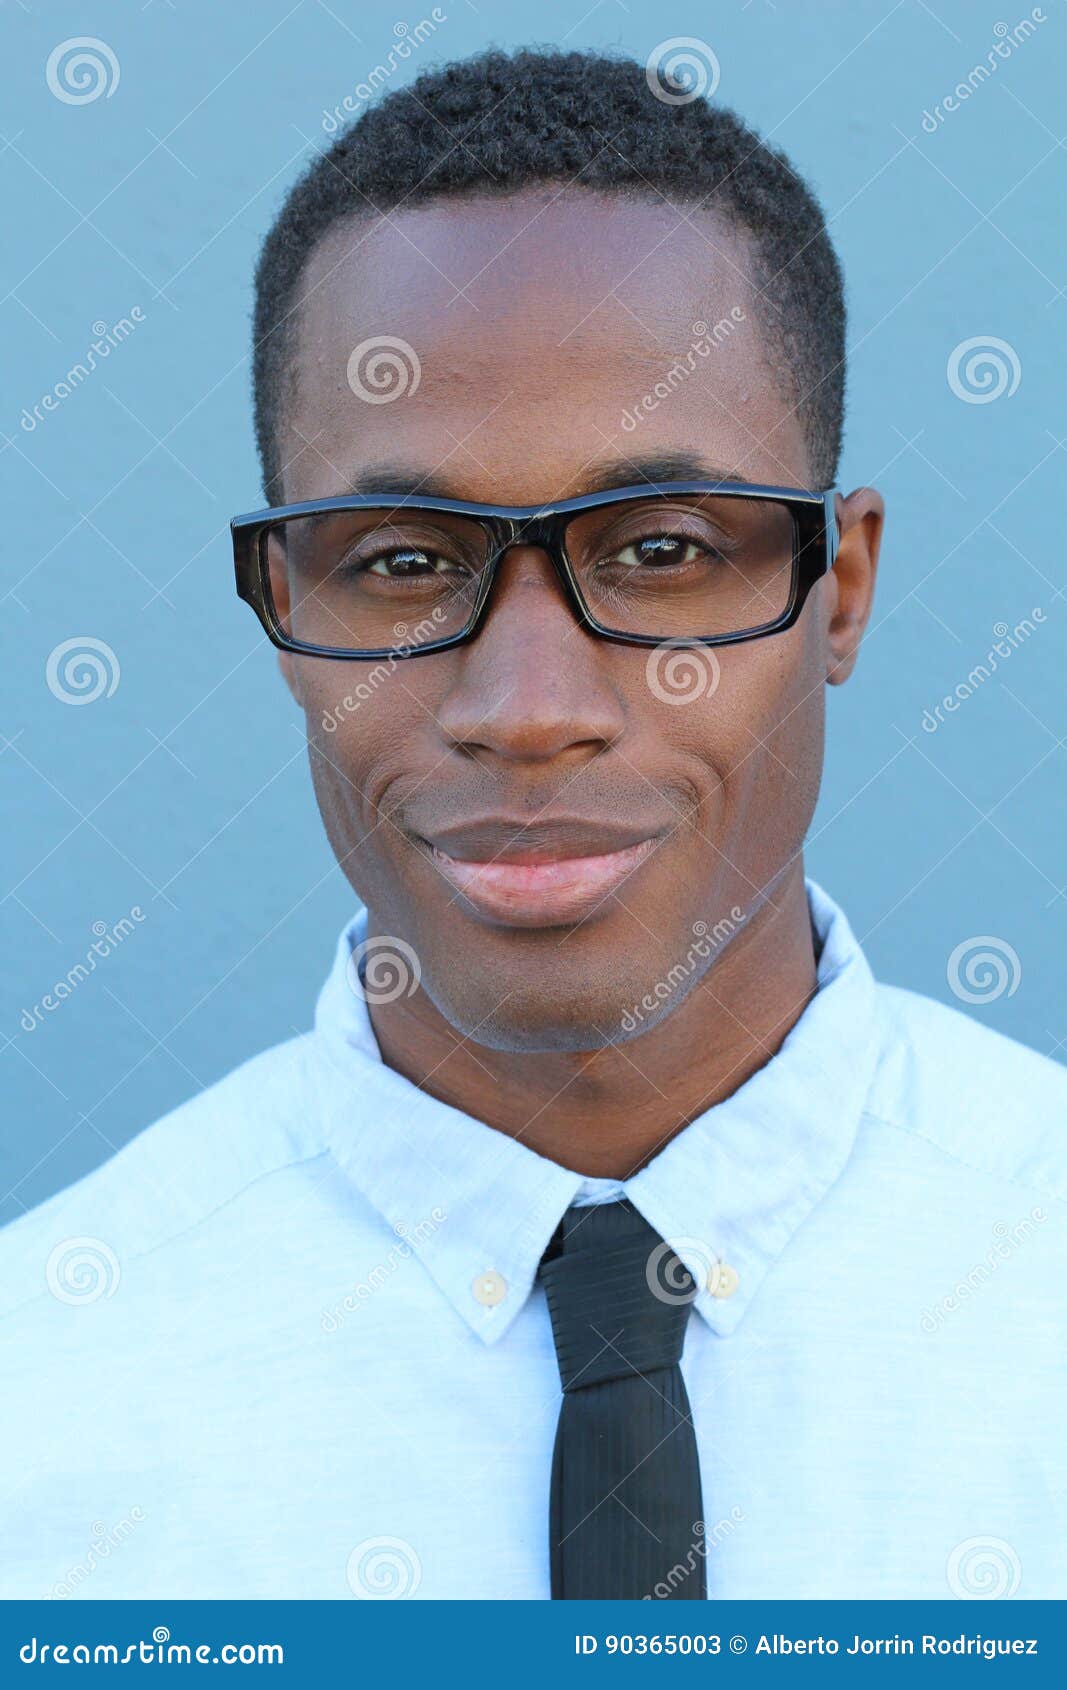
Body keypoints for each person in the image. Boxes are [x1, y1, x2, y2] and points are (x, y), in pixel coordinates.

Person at [3, 47, 1064, 1603]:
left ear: (840, 584)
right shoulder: (48, 1403)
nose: (524, 703)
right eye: (402, 563)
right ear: (280, 607)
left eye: (659, 547)